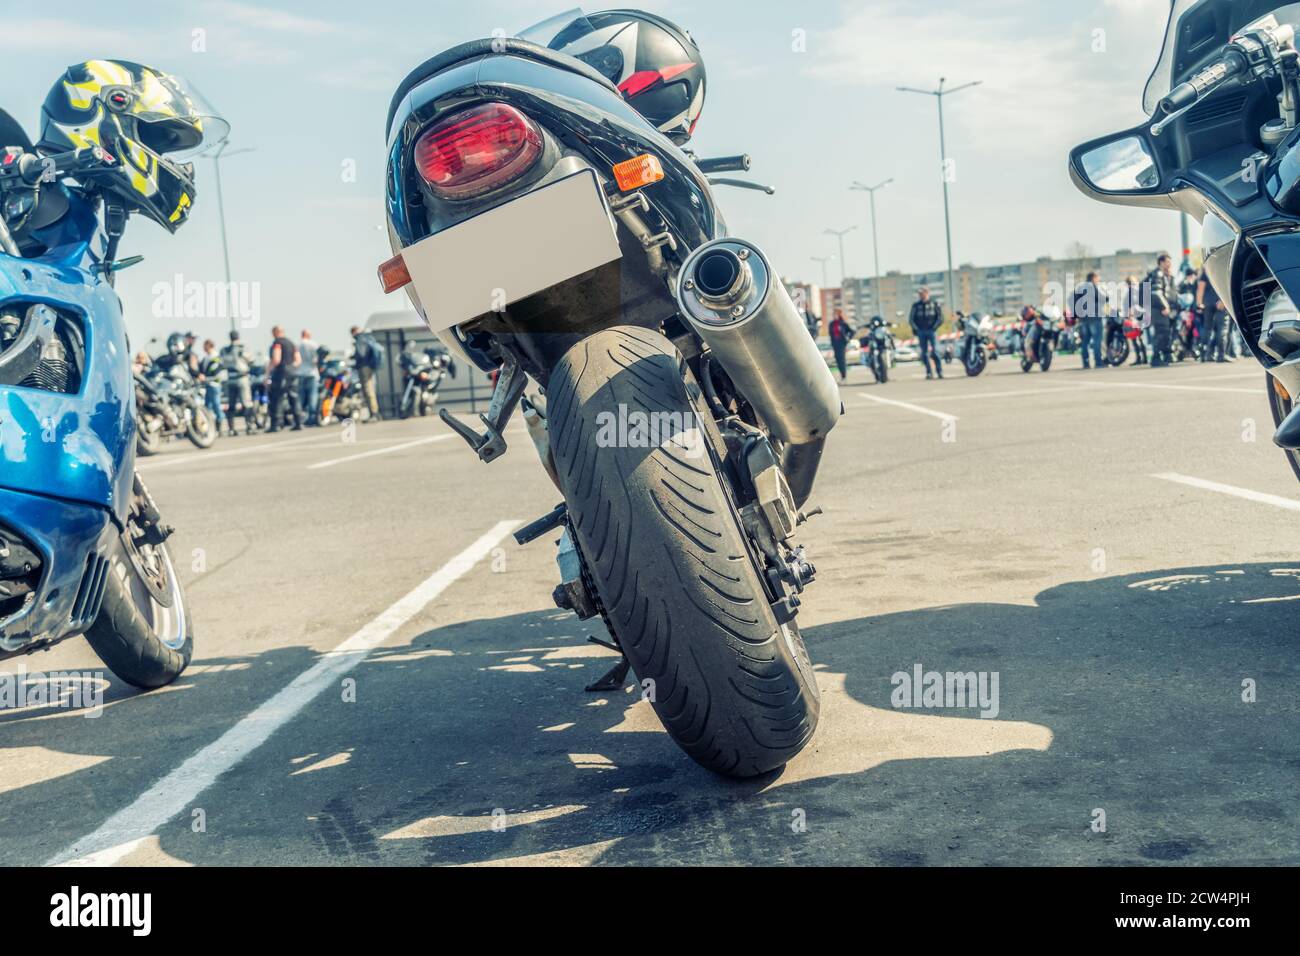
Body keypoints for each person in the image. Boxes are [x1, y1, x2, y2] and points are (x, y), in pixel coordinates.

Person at [266, 325, 303, 431]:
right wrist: (291, 367)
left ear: (275, 332)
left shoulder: (277, 343)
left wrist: (268, 372)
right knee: (294, 397)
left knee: (278, 397)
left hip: (281, 372)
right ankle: (298, 422)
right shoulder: (291, 343)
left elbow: (276, 359)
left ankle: (276, 424)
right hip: (292, 372)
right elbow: (298, 360)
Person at [220, 330, 254, 435]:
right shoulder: (242, 348)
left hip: (230, 378)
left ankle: (231, 429)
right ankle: (249, 427)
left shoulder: (224, 350)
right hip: (242, 377)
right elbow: (251, 360)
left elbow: (222, 363)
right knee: (246, 403)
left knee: (231, 405)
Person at [1146, 253, 1177, 367]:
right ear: (1161, 263)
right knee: (1161, 334)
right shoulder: (1158, 274)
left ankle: (1164, 356)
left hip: (1160, 309)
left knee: (1164, 333)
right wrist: (1165, 306)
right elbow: (1156, 292)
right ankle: (1155, 358)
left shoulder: (1164, 275)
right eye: (1168, 262)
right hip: (1158, 309)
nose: (1170, 264)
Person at [1072, 271, 1106, 369]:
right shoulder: (1092, 286)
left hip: (1083, 319)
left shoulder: (1079, 287)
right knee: (1096, 340)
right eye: (1098, 278)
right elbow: (1102, 298)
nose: (1098, 280)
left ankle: (1086, 363)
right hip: (1094, 317)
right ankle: (1098, 362)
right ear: (1093, 278)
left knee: (1085, 341)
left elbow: (1074, 302)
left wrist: (1077, 316)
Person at [1196, 267, 1231, 363]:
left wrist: (1199, 303)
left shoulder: (1206, 271)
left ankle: (1204, 355)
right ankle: (1221, 355)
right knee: (1222, 328)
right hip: (1220, 301)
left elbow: (1200, 288)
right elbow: (1227, 285)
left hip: (1207, 303)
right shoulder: (1222, 268)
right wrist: (1223, 300)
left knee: (1207, 328)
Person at [909, 286, 944, 380]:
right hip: (921, 331)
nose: (921, 295)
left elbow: (940, 317)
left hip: (932, 331)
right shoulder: (916, 306)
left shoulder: (935, 303)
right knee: (924, 353)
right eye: (919, 294)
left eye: (922, 293)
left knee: (935, 351)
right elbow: (911, 319)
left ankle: (939, 371)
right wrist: (916, 329)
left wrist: (934, 327)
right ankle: (929, 372)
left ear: (927, 293)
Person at [350, 325, 384, 420]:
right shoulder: (368, 337)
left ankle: (374, 414)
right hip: (369, 366)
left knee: (368, 390)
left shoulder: (360, 338)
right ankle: (375, 413)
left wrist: (356, 360)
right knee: (370, 389)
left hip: (364, 367)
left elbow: (361, 353)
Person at [197, 338, 226, 434]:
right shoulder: (206, 358)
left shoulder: (216, 357)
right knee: (207, 407)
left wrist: (205, 378)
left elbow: (217, 374)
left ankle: (220, 427)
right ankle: (210, 427)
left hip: (214, 385)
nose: (203, 348)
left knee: (216, 405)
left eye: (205, 346)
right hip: (207, 386)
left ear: (209, 346)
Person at [1117, 275, 1147, 366]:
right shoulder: (1138, 290)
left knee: (1135, 338)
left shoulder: (1132, 291)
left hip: (1134, 318)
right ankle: (1144, 358)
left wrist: (1130, 314)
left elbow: (1131, 304)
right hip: (1140, 317)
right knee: (1139, 339)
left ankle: (1139, 358)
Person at [296, 328, 322, 425]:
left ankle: (300, 417)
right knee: (312, 395)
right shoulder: (313, 344)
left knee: (301, 397)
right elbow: (317, 358)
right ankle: (312, 417)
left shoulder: (297, 345)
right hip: (312, 372)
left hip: (300, 373)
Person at [828, 308, 853, 383]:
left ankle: (844, 377)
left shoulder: (843, 323)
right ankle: (842, 376)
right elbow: (831, 335)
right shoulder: (831, 324)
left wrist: (848, 338)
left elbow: (851, 331)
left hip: (842, 344)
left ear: (839, 315)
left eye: (836, 314)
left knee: (842, 361)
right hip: (835, 345)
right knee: (838, 361)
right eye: (833, 314)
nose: (834, 315)